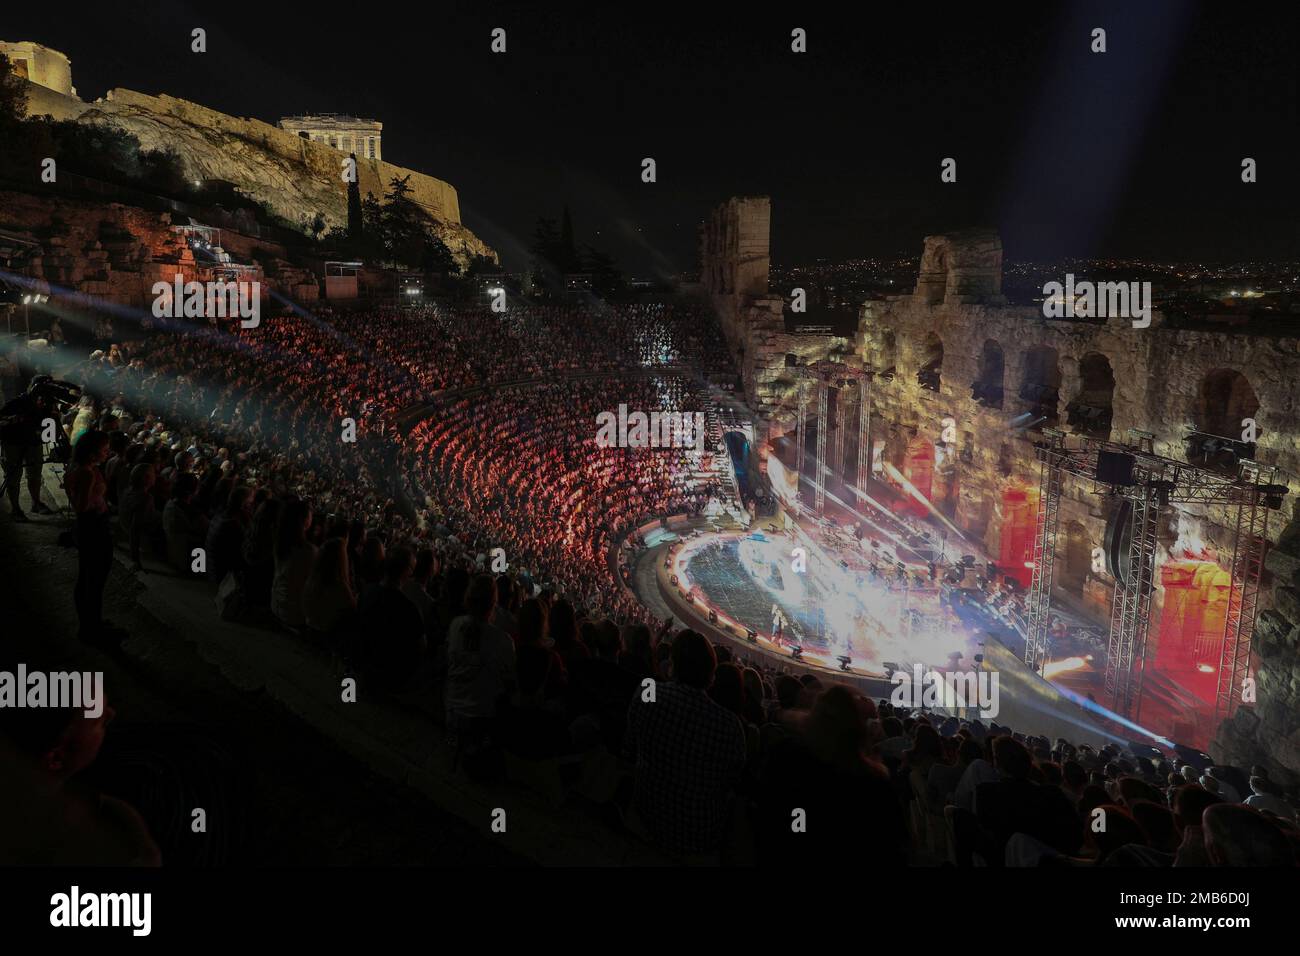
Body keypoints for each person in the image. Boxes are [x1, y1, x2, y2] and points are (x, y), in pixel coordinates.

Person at [624, 629, 746, 860]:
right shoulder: (729, 725)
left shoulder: (648, 692)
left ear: (673, 664)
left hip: (644, 816)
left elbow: (629, 747)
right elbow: (731, 784)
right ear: (711, 675)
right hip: (698, 839)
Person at [64, 430, 122, 645]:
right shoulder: (87, 473)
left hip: (86, 528)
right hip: (93, 529)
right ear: (91, 453)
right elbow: (82, 506)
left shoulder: (78, 467)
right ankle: (92, 629)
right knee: (94, 581)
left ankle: (90, 623)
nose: (107, 453)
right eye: (104, 450)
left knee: (87, 578)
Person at [0, 376, 56, 520]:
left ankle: (36, 503)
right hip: (13, 443)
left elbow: (48, 430)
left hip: (33, 443)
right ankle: (15, 509)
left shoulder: (46, 404)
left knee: (35, 474)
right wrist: (14, 419)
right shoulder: (16, 403)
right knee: (13, 476)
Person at [271, 498, 317, 630]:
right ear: (304, 519)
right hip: (294, 615)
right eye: (310, 515)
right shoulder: (309, 551)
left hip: (275, 603)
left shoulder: (278, 540)